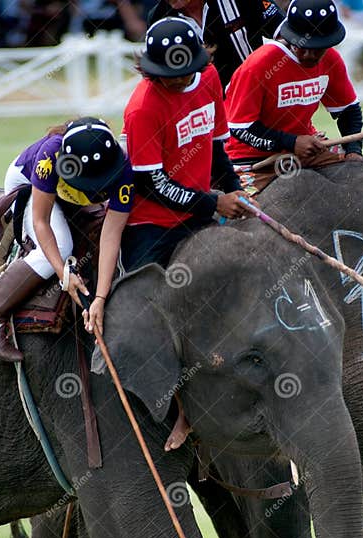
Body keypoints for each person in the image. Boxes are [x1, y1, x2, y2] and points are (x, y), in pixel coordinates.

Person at [83, 18, 249, 449]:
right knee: (148, 313)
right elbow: (152, 185)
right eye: (164, 77)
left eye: (180, 75)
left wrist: (236, 190)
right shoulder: (143, 107)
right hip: (151, 222)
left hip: (197, 209)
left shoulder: (209, 79)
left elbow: (215, 147)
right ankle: (178, 407)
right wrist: (214, 203)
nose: (174, 83)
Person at [0, 117, 134, 363]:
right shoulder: (50, 156)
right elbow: (41, 221)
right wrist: (64, 275)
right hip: (28, 184)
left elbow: (111, 234)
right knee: (61, 246)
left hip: (70, 196)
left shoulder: (124, 169)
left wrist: (99, 298)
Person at [224, 0, 363, 173]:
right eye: (302, 46)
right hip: (252, 156)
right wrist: (292, 142)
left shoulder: (331, 59)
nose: (308, 55)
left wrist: (353, 150)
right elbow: (240, 128)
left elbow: (348, 110)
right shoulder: (259, 65)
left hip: (307, 149)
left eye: (317, 48)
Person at [147, 0, 284, 88]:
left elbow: (286, 35)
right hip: (206, 112)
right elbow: (159, 78)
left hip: (259, 93)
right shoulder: (159, 19)